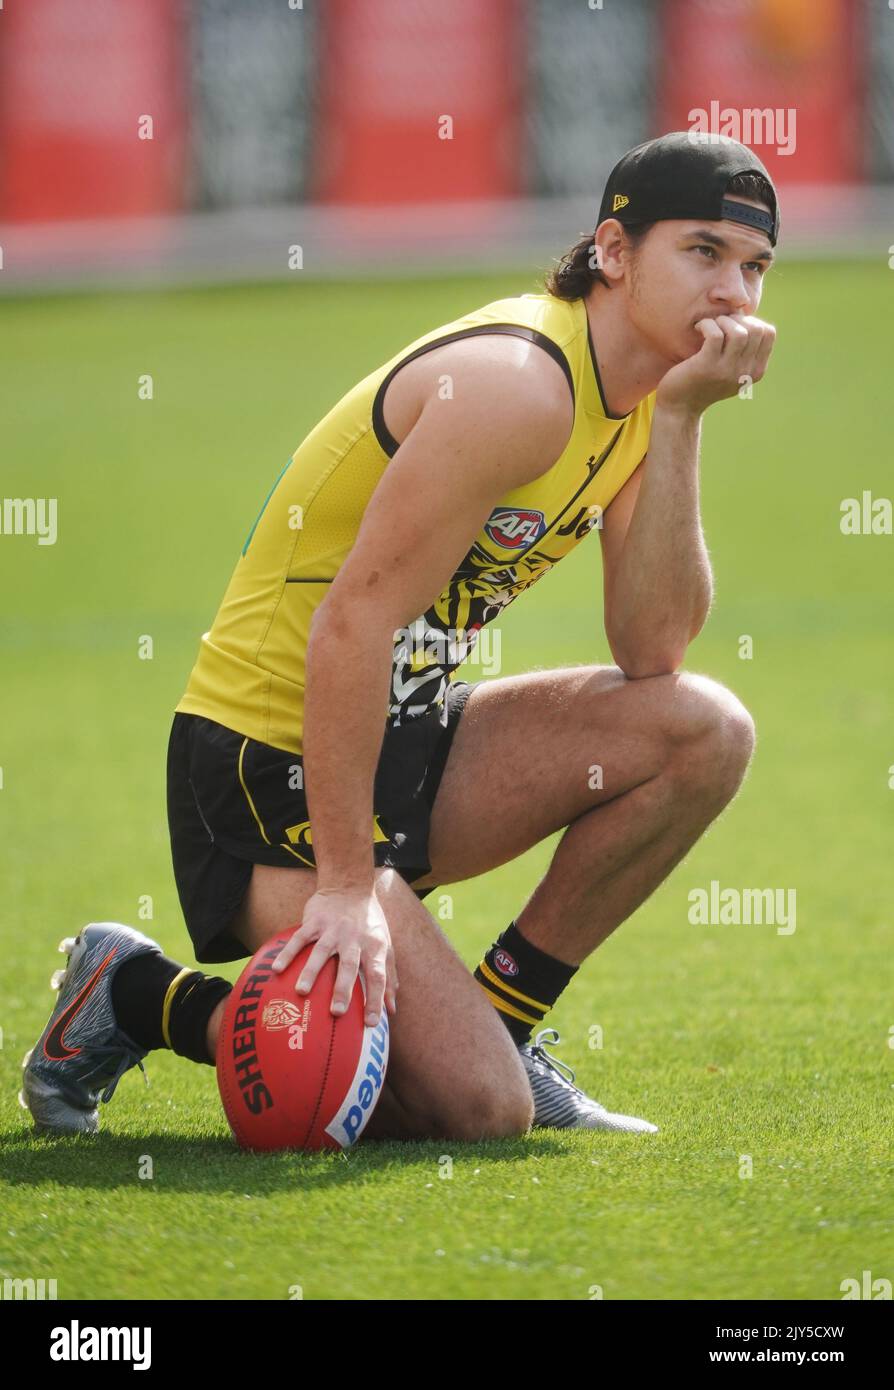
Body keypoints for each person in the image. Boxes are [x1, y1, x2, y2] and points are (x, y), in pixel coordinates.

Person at [21, 132, 778, 1142]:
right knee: (476, 1112)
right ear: (613, 250)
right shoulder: (522, 384)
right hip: (263, 763)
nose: (735, 292)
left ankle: (505, 1026)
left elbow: (654, 652)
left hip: (396, 734)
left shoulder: (645, 400)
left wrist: (683, 423)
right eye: (703, 253)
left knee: (705, 731)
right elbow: (353, 621)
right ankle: (136, 994)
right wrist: (345, 886)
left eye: (756, 266)